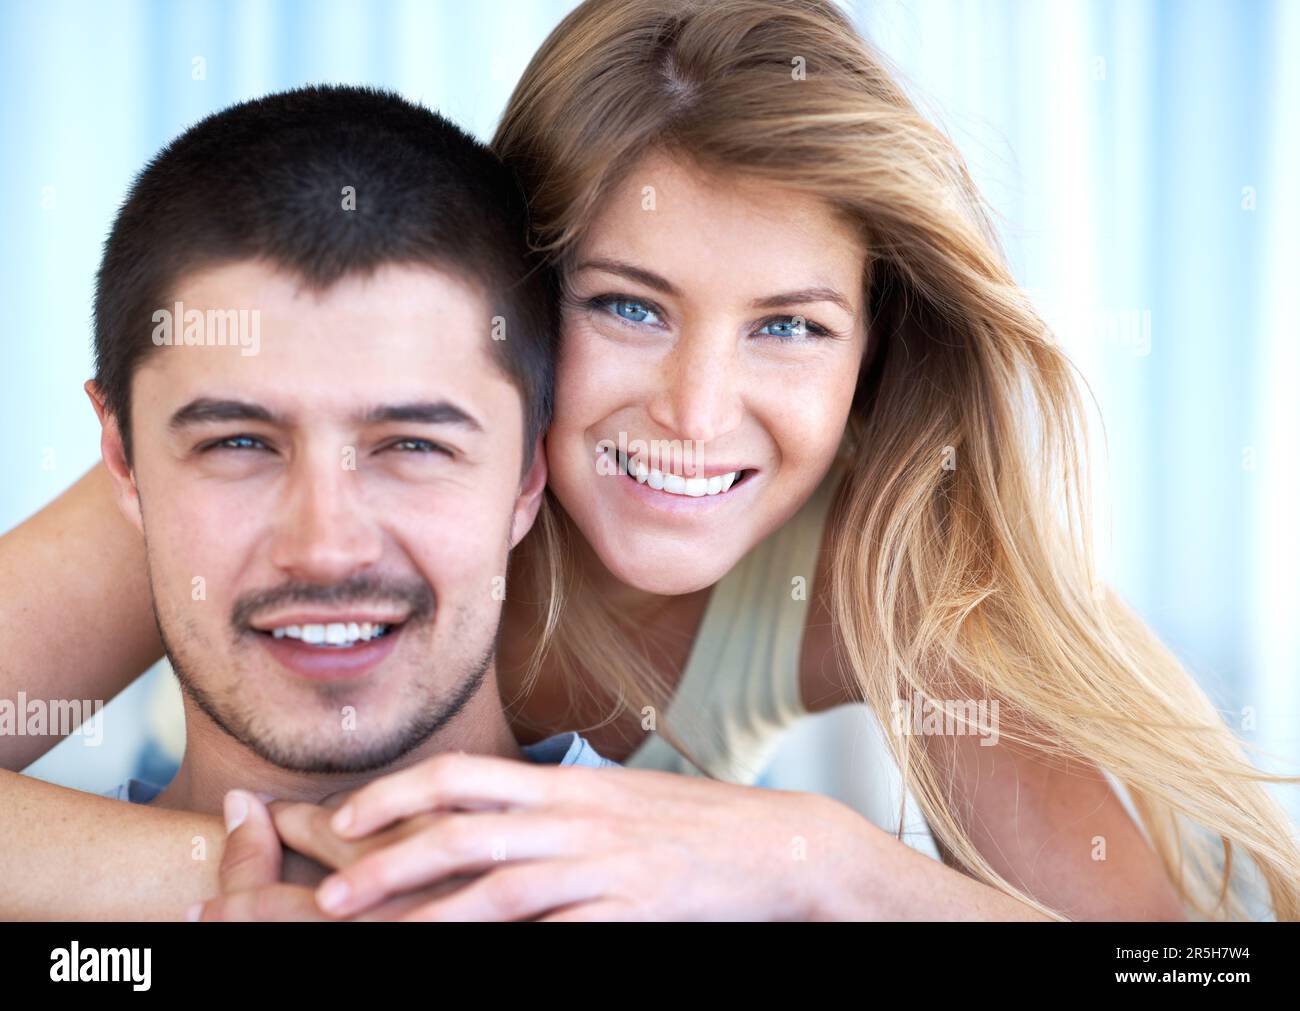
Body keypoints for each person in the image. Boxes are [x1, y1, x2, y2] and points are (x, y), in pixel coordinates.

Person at [3, 0, 1297, 921]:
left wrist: (816, 864)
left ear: (868, 358)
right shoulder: (267, 463)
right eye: (629, 305)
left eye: (789, 326)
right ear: (512, 306)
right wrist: (307, 885)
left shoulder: (891, 557)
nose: (694, 410)